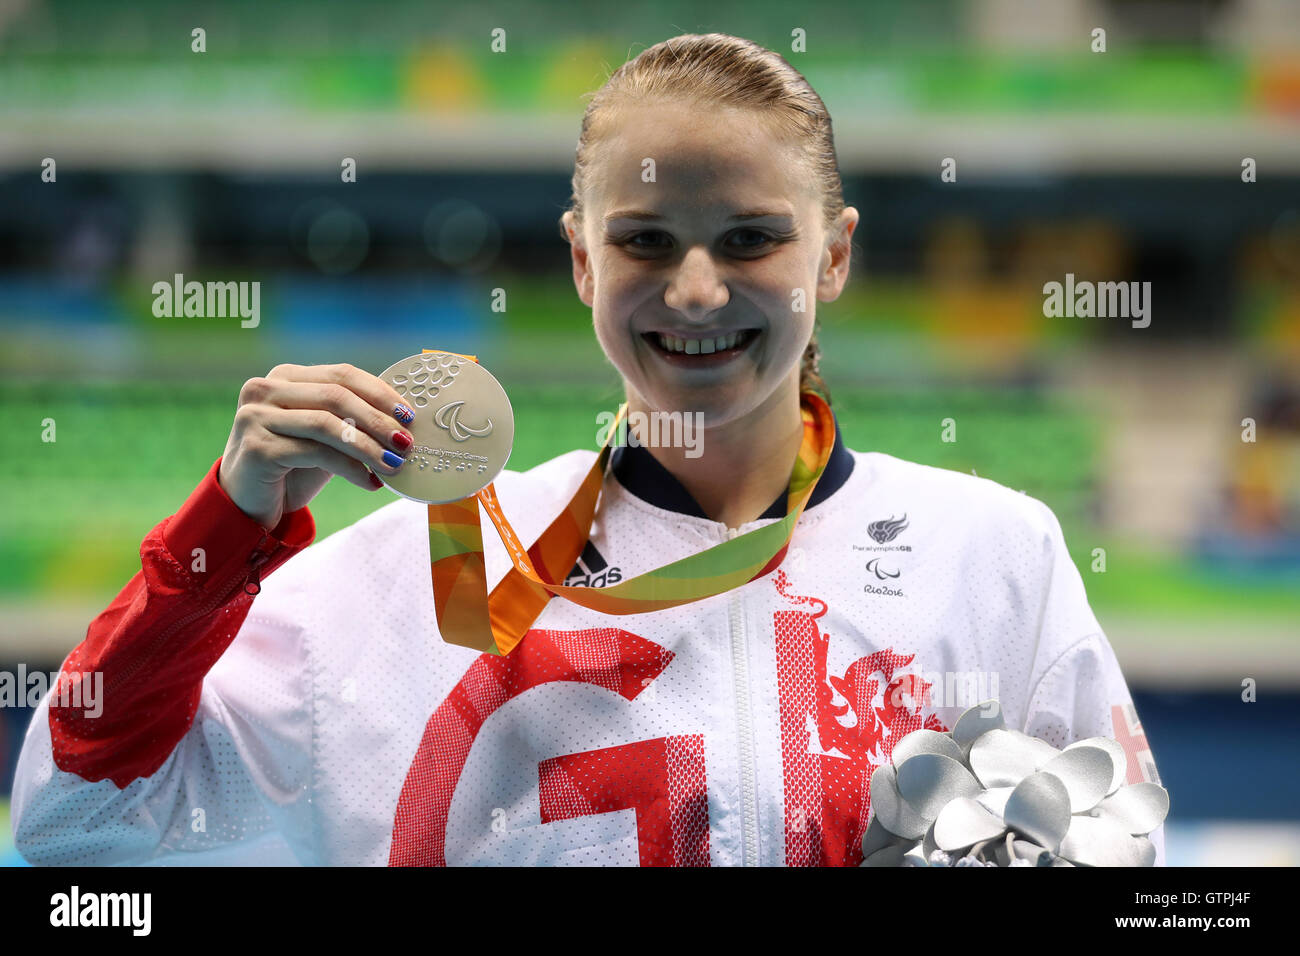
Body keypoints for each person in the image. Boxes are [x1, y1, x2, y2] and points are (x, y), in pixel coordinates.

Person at [11, 33, 1164, 867]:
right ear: (579, 260)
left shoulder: (993, 552)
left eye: (753, 238)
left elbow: (1129, 856)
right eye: (645, 241)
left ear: (834, 257)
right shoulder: (411, 578)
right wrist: (225, 524)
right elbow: (73, 824)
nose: (697, 286)